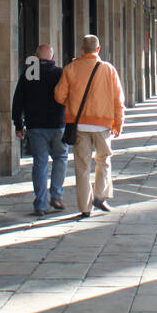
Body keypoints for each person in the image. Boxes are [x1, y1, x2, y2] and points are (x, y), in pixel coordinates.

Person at [54, 34, 125, 219]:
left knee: (82, 166)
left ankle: (85, 207)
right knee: (104, 160)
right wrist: (118, 122)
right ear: (98, 49)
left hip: (79, 125)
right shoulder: (108, 69)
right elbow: (119, 99)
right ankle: (100, 196)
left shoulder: (71, 68)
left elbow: (59, 96)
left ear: (82, 49)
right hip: (102, 125)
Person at [12, 43, 67, 217]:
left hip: (35, 126)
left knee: (40, 163)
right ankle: (56, 196)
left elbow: (17, 101)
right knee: (61, 158)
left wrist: (18, 125)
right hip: (58, 125)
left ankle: (41, 204)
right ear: (52, 58)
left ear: (36, 57)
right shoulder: (60, 73)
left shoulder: (29, 74)